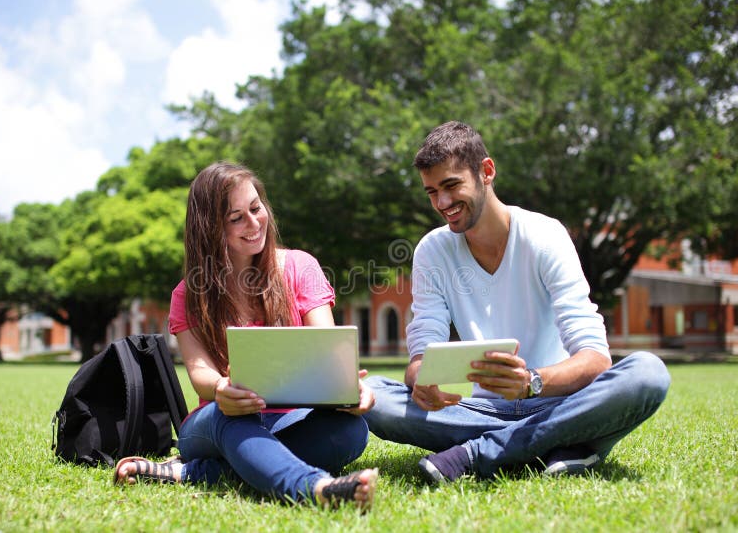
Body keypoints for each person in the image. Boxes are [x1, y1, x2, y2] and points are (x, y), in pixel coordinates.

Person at [362, 121, 671, 483]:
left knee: (647, 374)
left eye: (451, 185)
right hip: (480, 410)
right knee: (372, 395)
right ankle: (565, 445)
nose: (442, 203)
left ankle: (477, 453)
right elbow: (422, 350)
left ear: (486, 172)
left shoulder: (545, 235)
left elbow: (595, 358)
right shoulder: (432, 250)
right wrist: (420, 381)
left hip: (557, 399)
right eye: (432, 192)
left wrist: (531, 382)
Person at [114, 161, 378, 510]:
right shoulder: (188, 294)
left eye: (256, 208)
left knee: (351, 431)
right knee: (233, 417)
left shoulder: (301, 267)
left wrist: (347, 388)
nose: (254, 224)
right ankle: (315, 489)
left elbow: (326, 349)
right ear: (210, 228)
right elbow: (200, 375)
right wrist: (221, 388)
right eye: (236, 217)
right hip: (218, 422)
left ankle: (198, 474)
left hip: (291, 419)